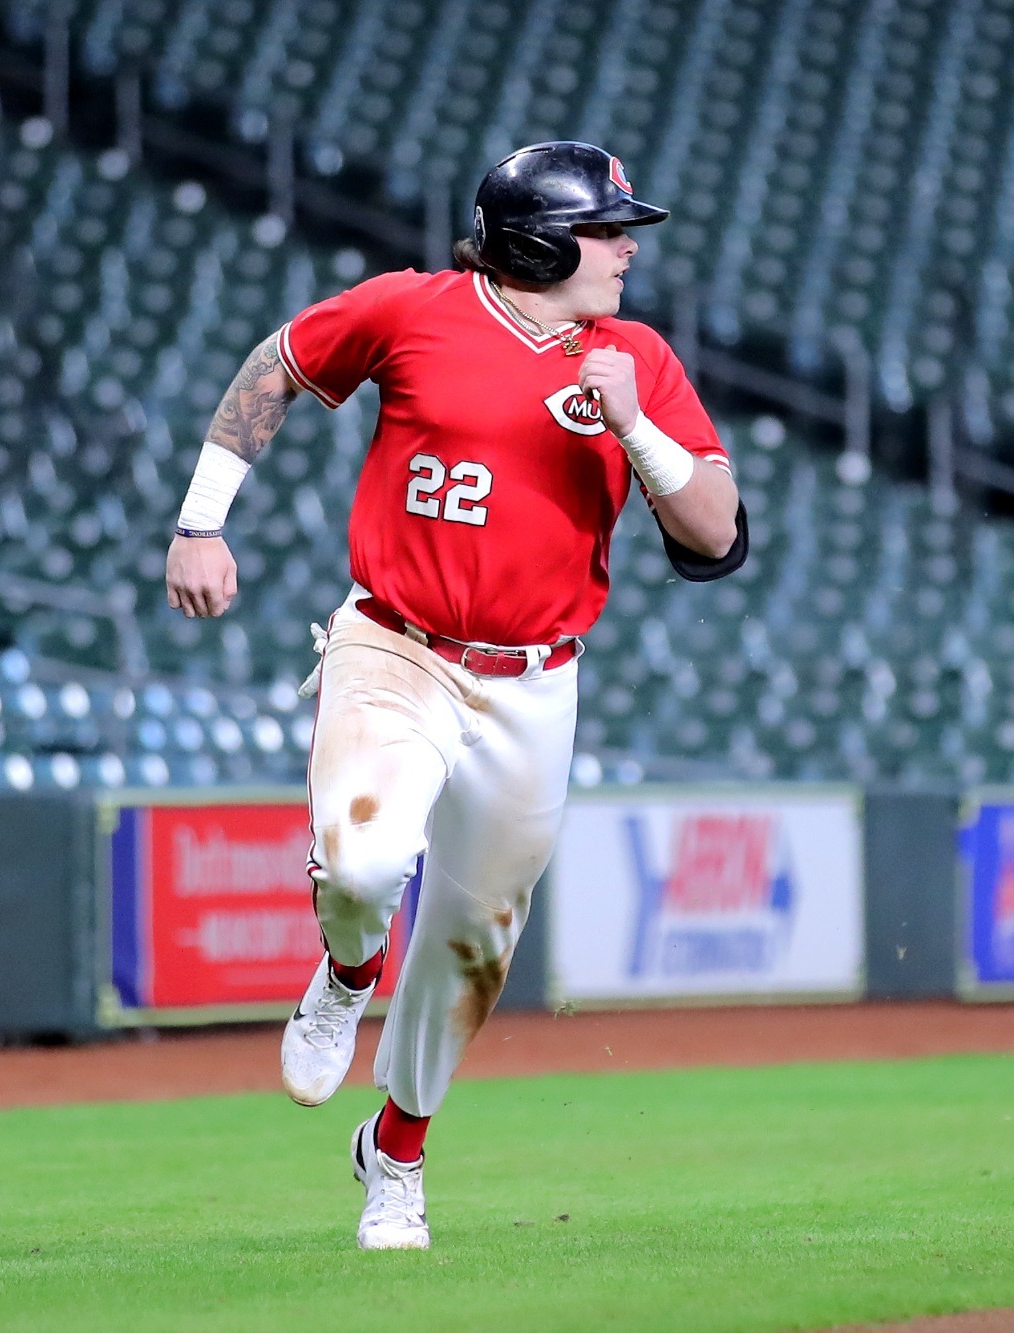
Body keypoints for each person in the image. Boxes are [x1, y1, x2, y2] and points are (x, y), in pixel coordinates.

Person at [163, 142, 745, 1250]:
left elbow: (714, 529)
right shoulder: (412, 310)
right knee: (363, 863)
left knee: (471, 946)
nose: (626, 248)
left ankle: (395, 1152)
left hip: (534, 683)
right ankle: (344, 968)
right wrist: (200, 521)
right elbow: (273, 366)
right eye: (605, 229)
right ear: (537, 241)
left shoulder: (633, 357)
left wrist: (633, 424)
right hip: (395, 646)